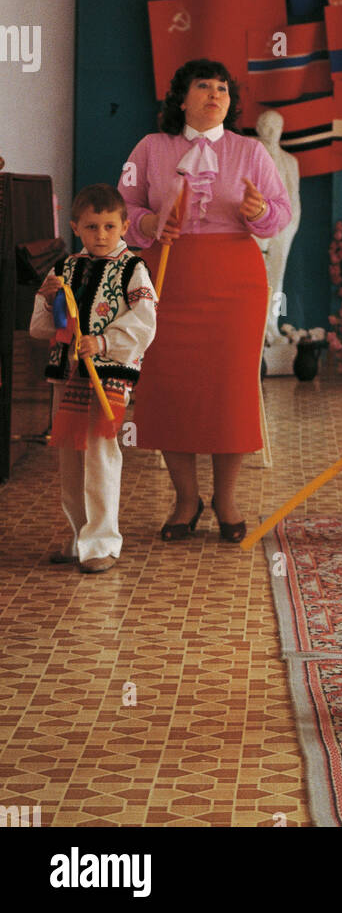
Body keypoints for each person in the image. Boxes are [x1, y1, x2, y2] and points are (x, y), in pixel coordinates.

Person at [118, 59, 292, 542]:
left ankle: (226, 498)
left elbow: (280, 213)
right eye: (204, 86)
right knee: (170, 386)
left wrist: (258, 212)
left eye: (223, 89)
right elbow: (122, 207)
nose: (215, 95)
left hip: (235, 281)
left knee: (229, 388)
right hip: (168, 276)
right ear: (181, 97)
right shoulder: (151, 148)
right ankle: (185, 499)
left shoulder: (251, 151)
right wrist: (150, 224)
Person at [29, 184, 157, 573]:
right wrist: (47, 297)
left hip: (107, 375)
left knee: (100, 455)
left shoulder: (133, 269)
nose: (100, 235)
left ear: (124, 225)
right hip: (68, 375)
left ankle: (103, 540)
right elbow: (41, 326)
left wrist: (101, 342)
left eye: (108, 226)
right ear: (75, 227)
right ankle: (79, 536)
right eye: (90, 227)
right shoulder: (64, 268)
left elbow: (145, 323)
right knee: (70, 457)